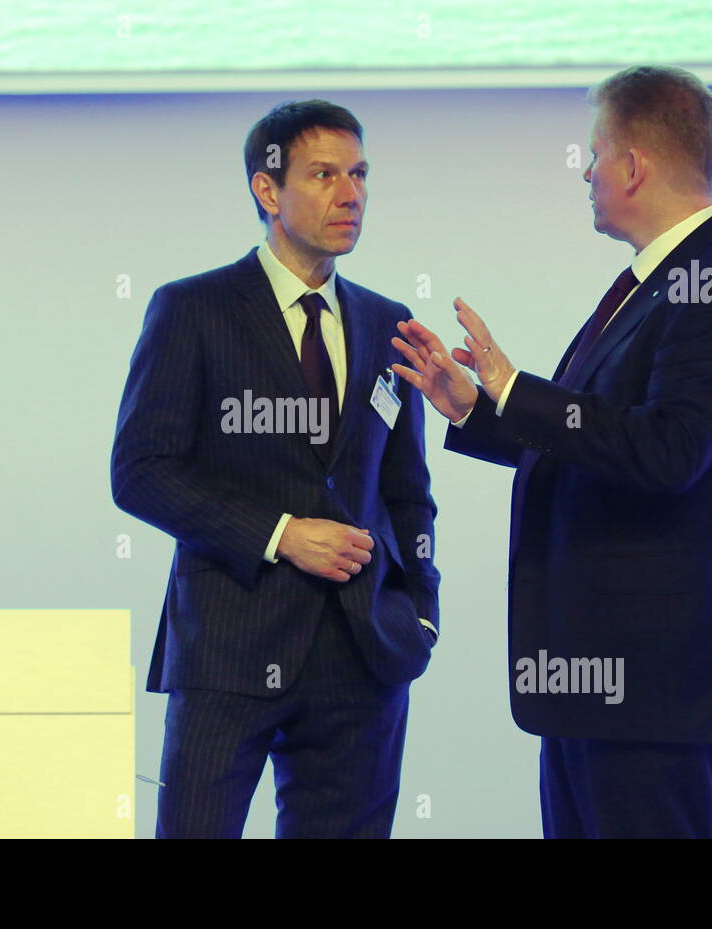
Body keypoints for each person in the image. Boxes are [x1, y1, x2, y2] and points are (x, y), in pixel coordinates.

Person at [392, 65, 712, 838]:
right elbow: (608, 440)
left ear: (634, 166)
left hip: (653, 686)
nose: (586, 168)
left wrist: (514, 386)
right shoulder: (662, 280)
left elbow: (668, 451)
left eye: (596, 151)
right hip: (604, 679)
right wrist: (480, 408)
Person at [111, 100, 440, 838]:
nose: (349, 194)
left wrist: (421, 608)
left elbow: (407, 492)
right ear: (267, 190)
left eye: (359, 175)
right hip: (228, 645)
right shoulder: (192, 308)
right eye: (324, 174)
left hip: (364, 656)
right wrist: (282, 533)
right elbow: (140, 469)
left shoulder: (390, 322)